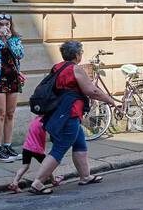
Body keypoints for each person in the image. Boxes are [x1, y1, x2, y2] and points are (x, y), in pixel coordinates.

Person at [29, 42, 120, 193]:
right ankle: (38, 182)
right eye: (81, 52)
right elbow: (92, 91)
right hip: (69, 114)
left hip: (61, 112)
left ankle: (85, 176)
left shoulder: (57, 67)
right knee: (59, 149)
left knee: (80, 143)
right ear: (77, 55)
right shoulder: (75, 69)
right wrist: (111, 101)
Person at [0, 14, 24, 162]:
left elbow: (20, 54)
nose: (4, 27)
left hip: (13, 79)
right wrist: (0, 40)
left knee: (10, 114)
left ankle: (7, 146)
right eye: (1, 24)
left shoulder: (15, 39)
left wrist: (9, 41)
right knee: (0, 114)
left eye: (6, 24)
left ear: (11, 25)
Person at [8, 114, 63, 191]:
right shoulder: (45, 122)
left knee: (25, 167)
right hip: (37, 149)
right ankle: (54, 181)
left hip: (26, 147)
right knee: (47, 166)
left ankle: (15, 183)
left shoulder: (35, 119)